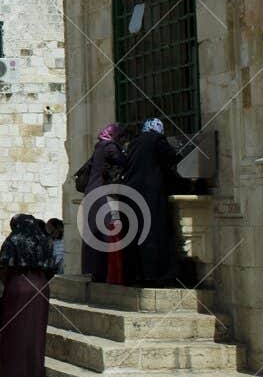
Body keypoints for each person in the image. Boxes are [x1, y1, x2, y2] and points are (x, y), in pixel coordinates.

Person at [0, 214, 55, 377]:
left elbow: (3, 266)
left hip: (18, 285)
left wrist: (11, 284)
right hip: (40, 287)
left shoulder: (12, 239)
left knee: (13, 334)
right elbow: (52, 267)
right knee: (35, 335)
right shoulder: (44, 240)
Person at [122, 118, 186, 286]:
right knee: (153, 234)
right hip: (149, 194)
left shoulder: (135, 142)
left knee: (136, 235)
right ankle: (156, 276)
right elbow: (172, 158)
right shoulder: (156, 139)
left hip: (131, 194)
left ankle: (137, 276)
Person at [80, 123, 126, 283]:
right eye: (121, 137)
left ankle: (94, 271)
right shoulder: (110, 147)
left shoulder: (99, 146)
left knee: (93, 234)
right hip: (101, 196)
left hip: (91, 194)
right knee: (106, 234)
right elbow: (123, 162)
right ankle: (106, 272)